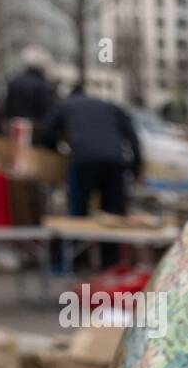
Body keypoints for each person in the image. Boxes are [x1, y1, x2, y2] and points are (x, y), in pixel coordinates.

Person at [41, 86, 143, 267]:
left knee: (78, 213)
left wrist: (56, 148)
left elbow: (46, 130)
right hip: (115, 162)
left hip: (84, 160)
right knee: (112, 217)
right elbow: (133, 138)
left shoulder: (66, 105)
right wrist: (136, 170)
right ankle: (109, 266)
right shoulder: (110, 106)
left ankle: (68, 262)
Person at [4, 45, 58, 130]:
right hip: (35, 131)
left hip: (15, 129)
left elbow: (7, 110)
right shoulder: (42, 85)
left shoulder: (14, 82)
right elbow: (48, 113)